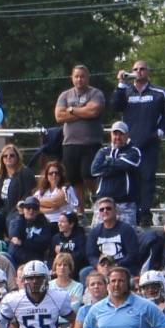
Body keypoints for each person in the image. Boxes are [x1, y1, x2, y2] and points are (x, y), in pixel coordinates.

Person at [54, 66, 108, 202]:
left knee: (88, 175)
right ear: (72, 78)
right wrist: (83, 111)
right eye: (76, 76)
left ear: (87, 78)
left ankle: (98, 198)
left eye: (82, 76)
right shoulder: (65, 95)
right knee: (74, 178)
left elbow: (93, 112)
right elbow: (59, 117)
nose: (79, 79)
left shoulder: (96, 94)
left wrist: (71, 110)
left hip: (91, 143)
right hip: (70, 143)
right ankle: (80, 212)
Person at [89, 120, 148, 224]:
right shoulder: (103, 151)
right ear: (111, 135)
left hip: (125, 204)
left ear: (127, 135)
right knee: (98, 236)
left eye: (121, 134)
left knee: (127, 237)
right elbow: (94, 170)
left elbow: (128, 165)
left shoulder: (134, 151)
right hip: (103, 203)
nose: (117, 137)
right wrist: (118, 165)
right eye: (115, 134)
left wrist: (108, 162)